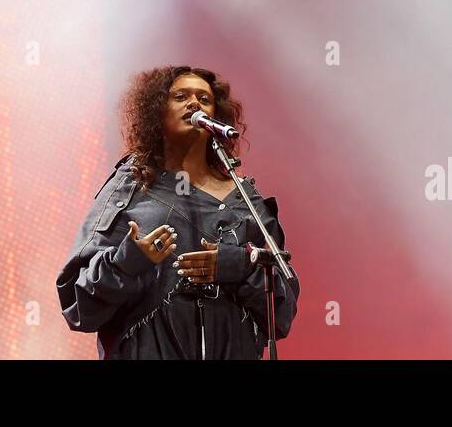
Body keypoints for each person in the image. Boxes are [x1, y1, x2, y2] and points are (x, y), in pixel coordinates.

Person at [56, 65, 299, 359]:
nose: (194, 103)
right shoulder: (131, 188)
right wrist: (125, 264)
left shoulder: (245, 200)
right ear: (157, 112)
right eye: (180, 96)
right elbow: (78, 306)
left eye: (204, 99)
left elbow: (282, 315)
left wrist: (240, 266)